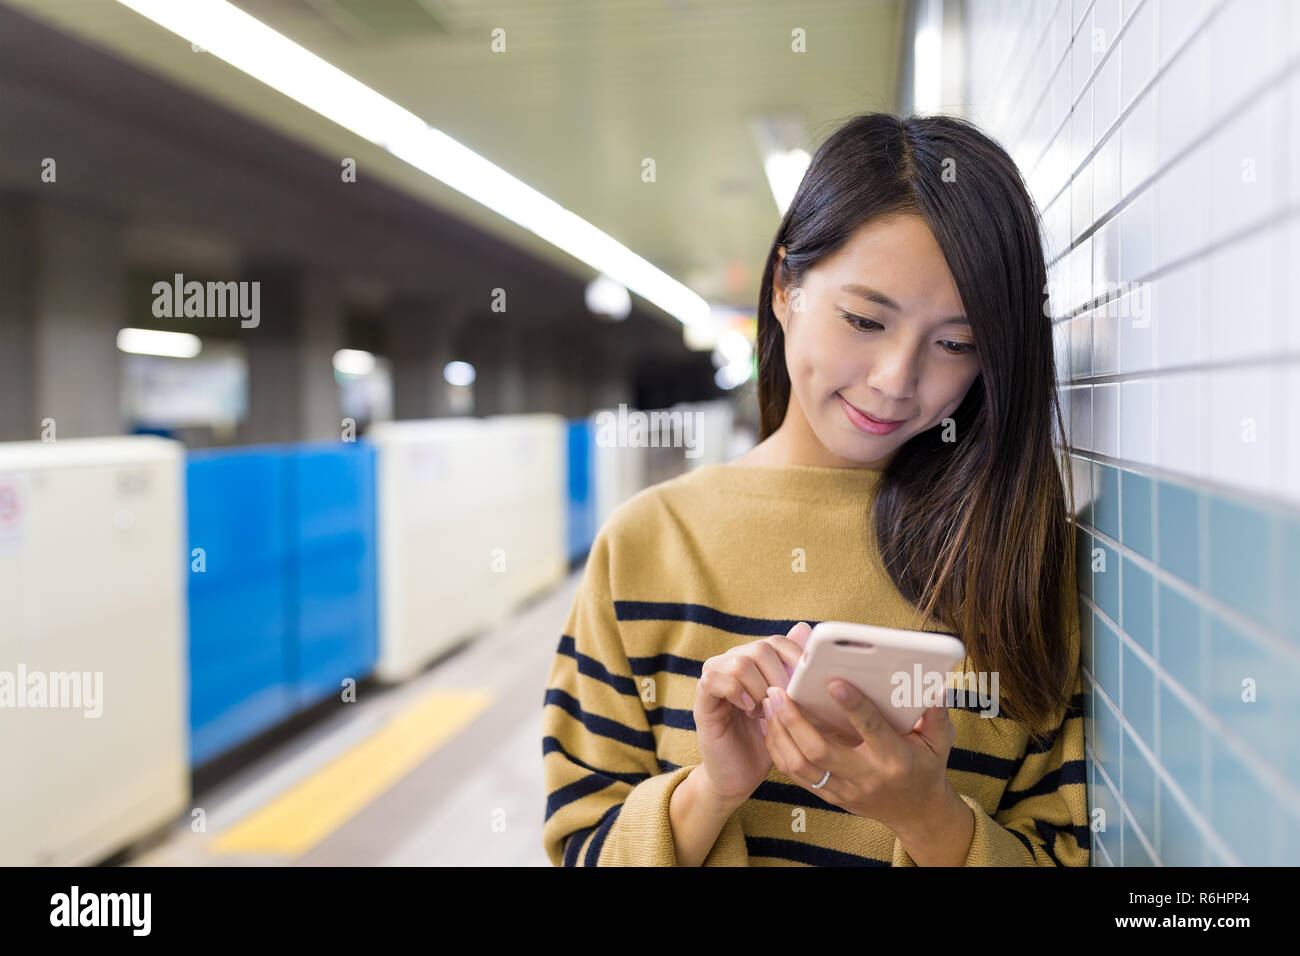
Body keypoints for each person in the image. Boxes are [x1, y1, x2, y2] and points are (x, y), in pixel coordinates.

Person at [541, 112, 1088, 866]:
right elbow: (579, 844)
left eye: (957, 344)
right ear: (784, 291)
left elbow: (1063, 851)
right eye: (865, 319)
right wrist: (712, 790)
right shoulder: (645, 545)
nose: (897, 379)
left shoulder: (1019, 555)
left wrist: (928, 819)